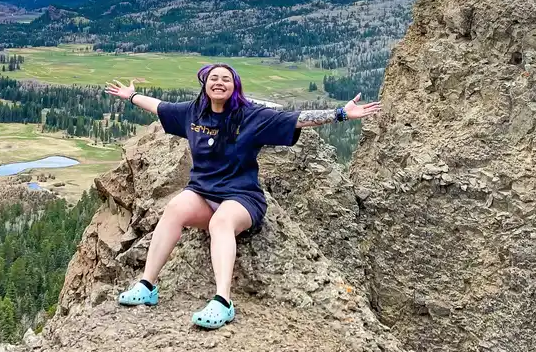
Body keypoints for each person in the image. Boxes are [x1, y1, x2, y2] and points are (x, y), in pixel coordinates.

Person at [104, 63, 383, 330]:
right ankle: (147, 285)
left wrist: (341, 113)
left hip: (242, 197)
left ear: (235, 86)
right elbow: (158, 106)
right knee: (174, 208)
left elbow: (296, 119)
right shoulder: (193, 112)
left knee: (221, 222)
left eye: (226, 79)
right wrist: (132, 96)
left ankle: (222, 301)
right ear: (205, 84)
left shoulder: (252, 116)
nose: (219, 82)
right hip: (202, 192)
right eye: (214, 78)